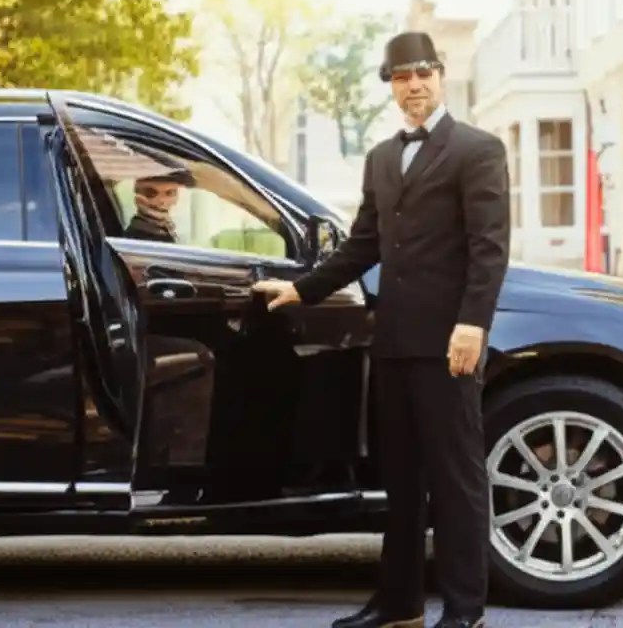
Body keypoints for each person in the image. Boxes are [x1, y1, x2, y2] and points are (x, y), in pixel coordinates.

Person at [253, 31, 509, 628]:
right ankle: (400, 606)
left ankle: (466, 611)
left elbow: (489, 249)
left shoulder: (478, 149)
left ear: (440, 75)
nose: (413, 84)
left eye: (422, 73)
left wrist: (472, 324)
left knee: (457, 482)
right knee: (400, 481)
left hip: (449, 345)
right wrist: (303, 288)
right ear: (391, 86)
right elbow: (363, 245)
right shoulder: (381, 158)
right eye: (401, 77)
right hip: (392, 342)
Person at [124, 170, 193, 243]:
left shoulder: (166, 231)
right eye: (150, 193)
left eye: (170, 193)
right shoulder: (138, 239)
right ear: (138, 199)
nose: (162, 200)